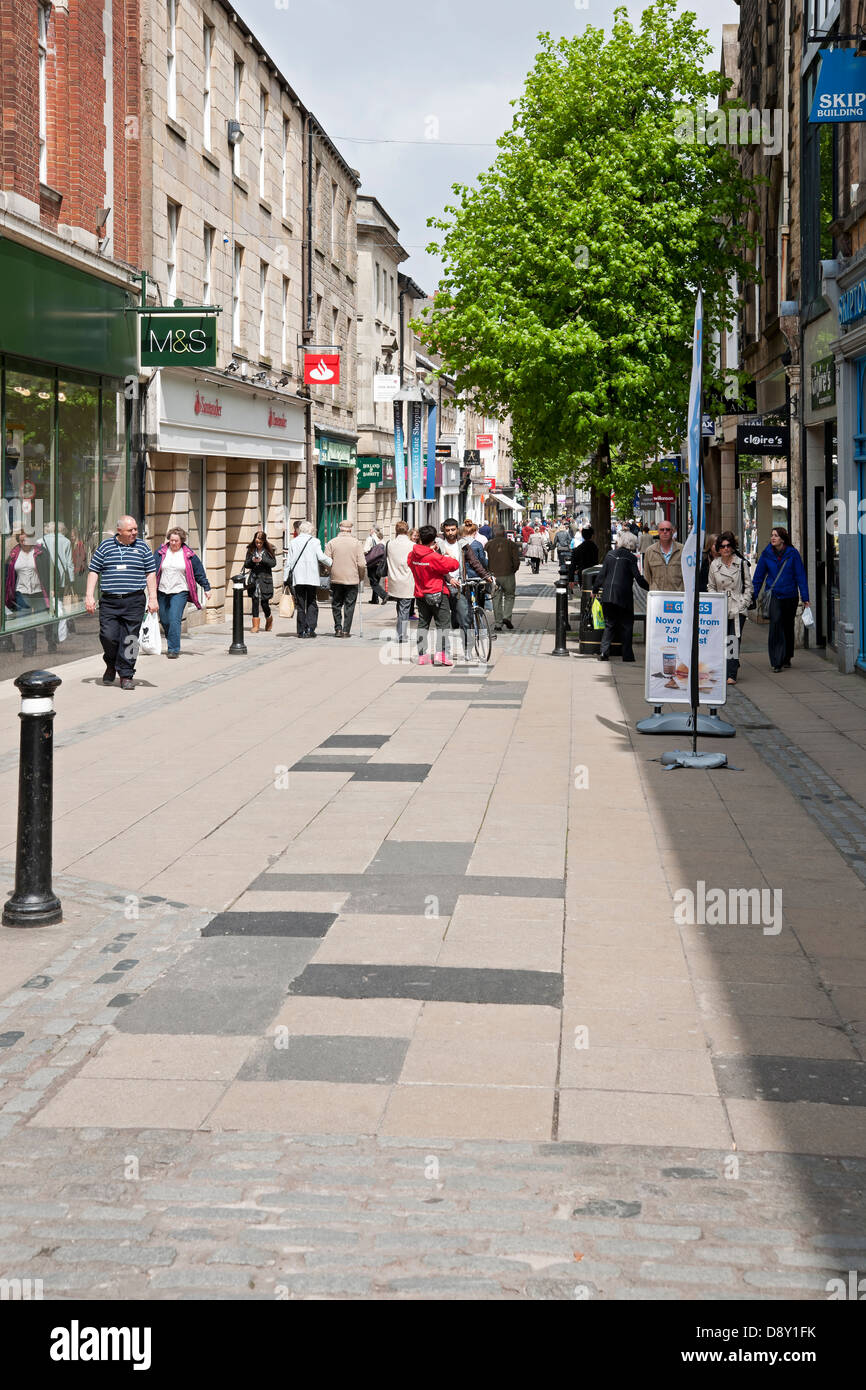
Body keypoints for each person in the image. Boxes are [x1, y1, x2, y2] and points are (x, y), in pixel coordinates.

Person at [86, 515, 158, 689]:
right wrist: (89, 595)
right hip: (110, 601)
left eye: (135, 529)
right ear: (119, 531)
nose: (134, 533)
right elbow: (94, 571)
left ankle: (126, 674)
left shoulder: (142, 547)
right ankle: (111, 663)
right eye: (130, 530)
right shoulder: (105, 546)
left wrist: (153, 598)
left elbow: (150, 573)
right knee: (108, 636)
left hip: (134, 600)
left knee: (131, 638)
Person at [751, 525, 810, 673]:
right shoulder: (766, 554)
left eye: (776, 535)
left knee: (788, 626)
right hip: (775, 595)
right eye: (772, 535)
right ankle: (776, 661)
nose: (772, 538)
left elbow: (800, 576)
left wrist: (805, 597)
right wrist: (752, 595)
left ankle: (787, 656)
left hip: (790, 596)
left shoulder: (793, 554)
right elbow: (758, 577)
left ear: (782, 539)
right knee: (776, 624)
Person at [592, 529, 649, 662]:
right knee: (627, 624)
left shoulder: (610, 554)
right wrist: (650, 588)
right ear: (632, 544)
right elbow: (638, 577)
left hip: (608, 594)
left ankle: (604, 652)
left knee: (609, 624)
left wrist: (595, 590)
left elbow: (602, 575)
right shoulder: (631, 558)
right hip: (623, 596)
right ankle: (627, 655)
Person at [155, 526, 211, 658]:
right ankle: (172, 640)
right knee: (164, 619)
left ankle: (173, 649)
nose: (173, 543)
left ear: (181, 541)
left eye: (176, 540)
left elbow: (199, 573)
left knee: (174, 619)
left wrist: (206, 587)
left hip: (180, 591)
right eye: (171, 540)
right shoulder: (161, 552)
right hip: (162, 590)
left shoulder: (188, 555)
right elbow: (151, 568)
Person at [408, 523, 459, 665]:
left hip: (420, 593)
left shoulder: (413, 555)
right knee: (442, 624)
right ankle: (441, 654)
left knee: (423, 624)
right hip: (438, 594)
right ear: (433, 540)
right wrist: (449, 555)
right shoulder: (434, 557)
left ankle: (422, 655)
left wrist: (431, 551)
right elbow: (453, 565)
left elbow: (410, 563)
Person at [708, 530, 753, 685]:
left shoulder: (741, 563)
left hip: (736, 606)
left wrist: (743, 603)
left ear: (732, 547)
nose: (726, 549)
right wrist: (716, 600)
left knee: (733, 640)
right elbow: (710, 586)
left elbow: (749, 586)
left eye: (728, 545)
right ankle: (724, 668)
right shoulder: (714, 565)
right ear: (719, 549)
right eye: (723, 546)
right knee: (720, 641)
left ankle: (731, 674)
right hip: (720, 606)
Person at [5, 530, 55, 656]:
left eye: (25, 540)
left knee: (44, 619)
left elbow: (51, 569)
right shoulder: (15, 553)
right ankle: (29, 649)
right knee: (26, 621)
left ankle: (51, 641)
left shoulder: (40, 552)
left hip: (39, 591)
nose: (23, 543)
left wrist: (52, 587)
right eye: (21, 540)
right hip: (22, 592)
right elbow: (9, 572)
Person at [284, 519, 332, 638]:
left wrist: (285, 578)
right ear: (310, 530)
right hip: (311, 577)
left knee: (300, 604)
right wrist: (332, 562)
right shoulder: (315, 541)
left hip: (298, 577)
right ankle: (311, 628)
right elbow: (321, 557)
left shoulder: (293, 542)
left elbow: (288, 562)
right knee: (311, 602)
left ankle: (301, 631)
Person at [325, 519, 366, 637]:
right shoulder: (356, 543)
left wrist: (331, 571)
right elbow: (362, 564)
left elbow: (326, 561)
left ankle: (338, 628)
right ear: (350, 530)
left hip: (336, 578)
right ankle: (346, 630)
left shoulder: (332, 542)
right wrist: (361, 576)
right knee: (349, 605)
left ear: (340, 528)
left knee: (336, 603)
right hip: (352, 578)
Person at [486, 523, 521, 631]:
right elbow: (516, 561)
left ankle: (498, 623)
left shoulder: (488, 545)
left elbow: (485, 561)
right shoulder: (511, 544)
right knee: (509, 596)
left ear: (493, 532)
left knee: (496, 599)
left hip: (494, 575)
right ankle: (506, 616)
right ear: (504, 531)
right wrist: (513, 570)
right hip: (508, 574)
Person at [386, 519, 414, 643]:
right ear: (407, 530)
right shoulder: (412, 545)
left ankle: (400, 632)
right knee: (404, 607)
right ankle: (401, 634)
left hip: (394, 578)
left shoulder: (390, 544)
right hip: (407, 579)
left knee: (400, 606)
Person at [243, 530, 277, 632]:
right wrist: (252, 561)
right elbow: (246, 564)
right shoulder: (251, 550)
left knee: (264, 603)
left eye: (260, 543)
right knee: (254, 600)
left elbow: (273, 563)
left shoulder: (268, 550)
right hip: (254, 579)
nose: (258, 544)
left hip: (265, 580)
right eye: (256, 542)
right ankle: (255, 625)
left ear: (263, 542)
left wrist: (262, 560)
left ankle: (269, 618)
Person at [643, 520, 683, 590]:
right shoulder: (650, 551)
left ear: (672, 531)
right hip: (658, 596)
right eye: (662, 530)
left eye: (667, 529)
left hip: (677, 596)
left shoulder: (682, 550)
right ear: (658, 531)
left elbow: (687, 575)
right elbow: (647, 576)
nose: (665, 532)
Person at [364, 525, 387, 604]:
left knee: (373, 582)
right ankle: (374, 599)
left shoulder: (370, 539)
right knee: (376, 581)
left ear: (373, 531)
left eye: (370, 530)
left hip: (372, 563)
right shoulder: (382, 539)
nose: (369, 531)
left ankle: (384, 595)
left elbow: (366, 550)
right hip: (380, 563)